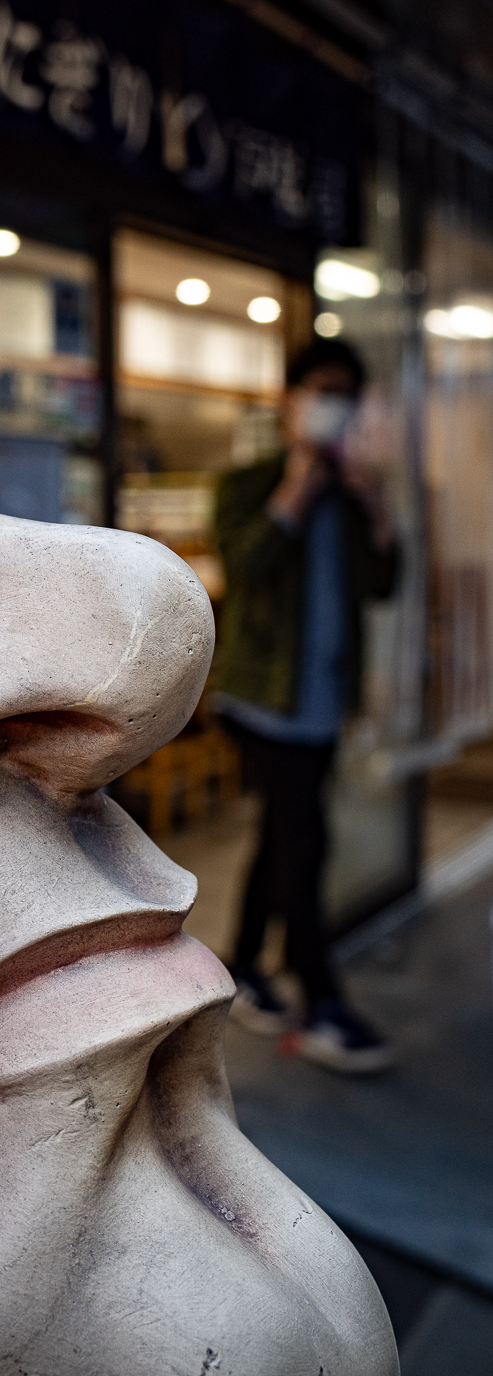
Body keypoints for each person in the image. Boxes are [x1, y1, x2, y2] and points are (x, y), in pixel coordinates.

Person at [214, 337, 400, 1073]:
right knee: (304, 841)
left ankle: (243, 969)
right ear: (289, 397)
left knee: (279, 837)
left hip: (322, 702)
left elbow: (384, 582)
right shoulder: (249, 480)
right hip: (261, 701)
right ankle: (320, 997)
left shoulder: (355, 494)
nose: (333, 405)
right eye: (320, 390)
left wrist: (375, 506)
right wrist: (293, 488)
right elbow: (244, 567)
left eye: (344, 394)